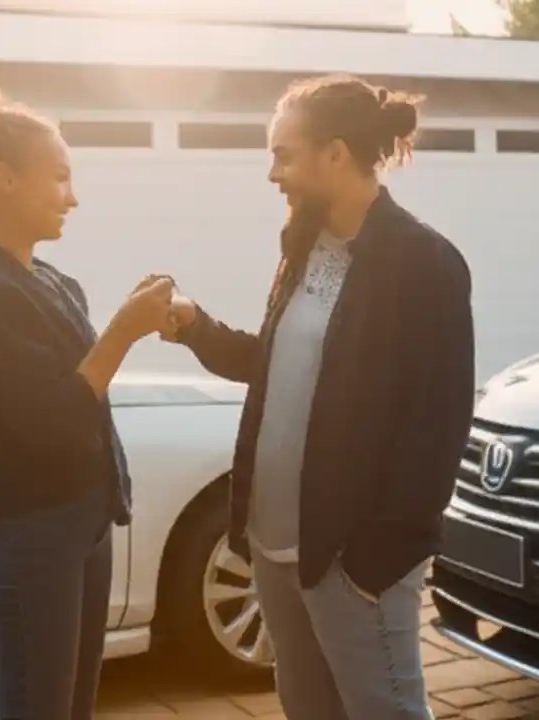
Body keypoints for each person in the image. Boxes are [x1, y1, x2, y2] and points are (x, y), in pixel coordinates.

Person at [163, 74, 475, 719]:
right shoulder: (303, 246)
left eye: (284, 153)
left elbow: (437, 427)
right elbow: (276, 366)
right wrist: (195, 326)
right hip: (275, 552)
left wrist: (375, 561)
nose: (272, 173)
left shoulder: (426, 262)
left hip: (350, 562)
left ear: (335, 153)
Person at [0, 79, 173, 720]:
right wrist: (125, 328)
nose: (73, 197)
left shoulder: (45, 279)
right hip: (25, 536)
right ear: (7, 179)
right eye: (60, 178)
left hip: (76, 525)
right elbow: (56, 420)